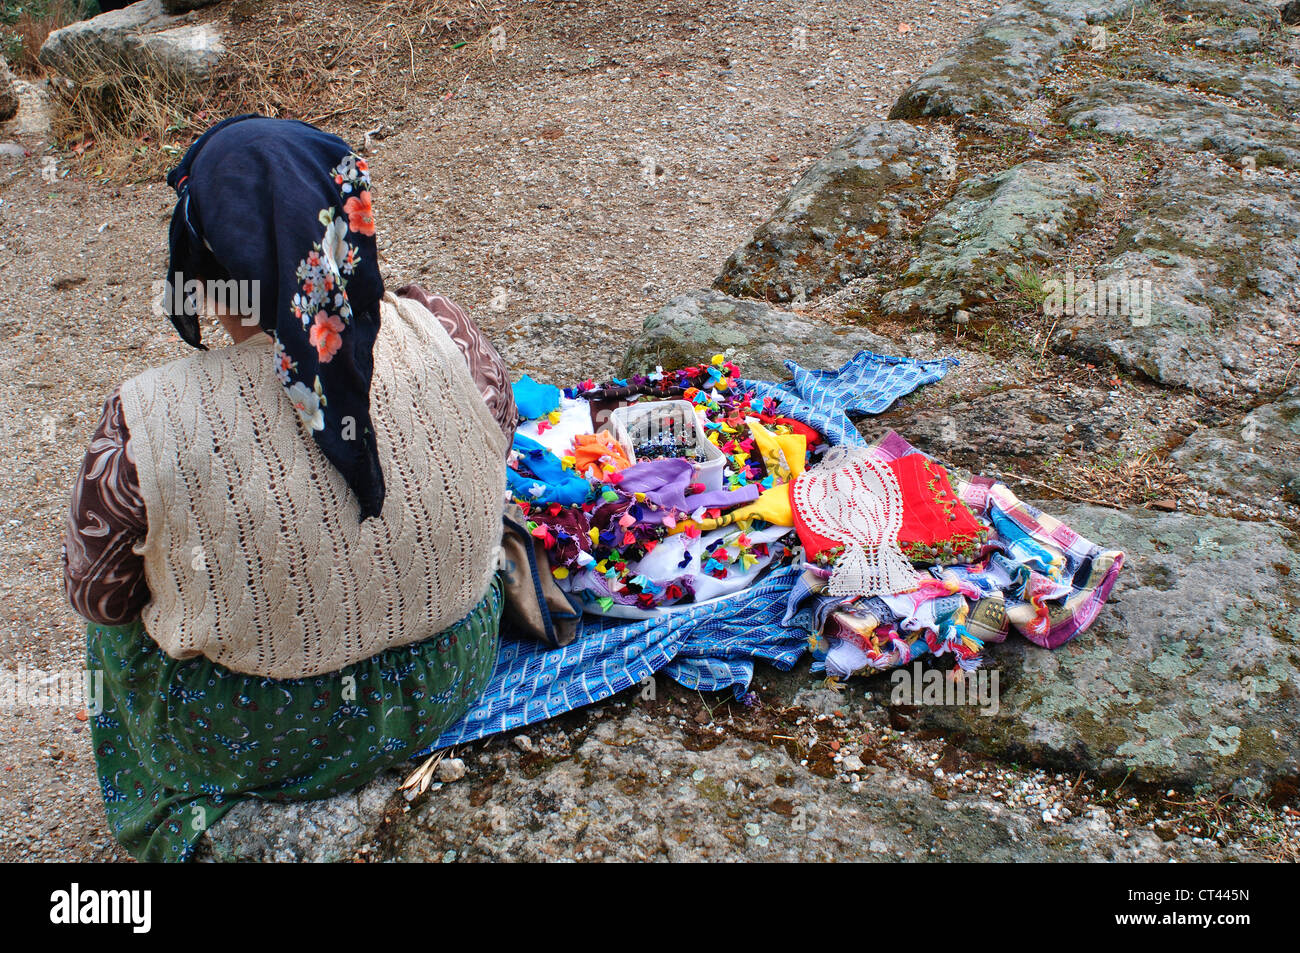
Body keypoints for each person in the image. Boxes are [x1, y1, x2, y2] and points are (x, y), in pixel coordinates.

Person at [63, 115, 517, 861]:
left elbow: (100, 600)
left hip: (268, 736)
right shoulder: (445, 329)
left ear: (206, 274)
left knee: (113, 627)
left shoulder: (144, 420)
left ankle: (165, 806)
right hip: (451, 671)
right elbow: (495, 448)